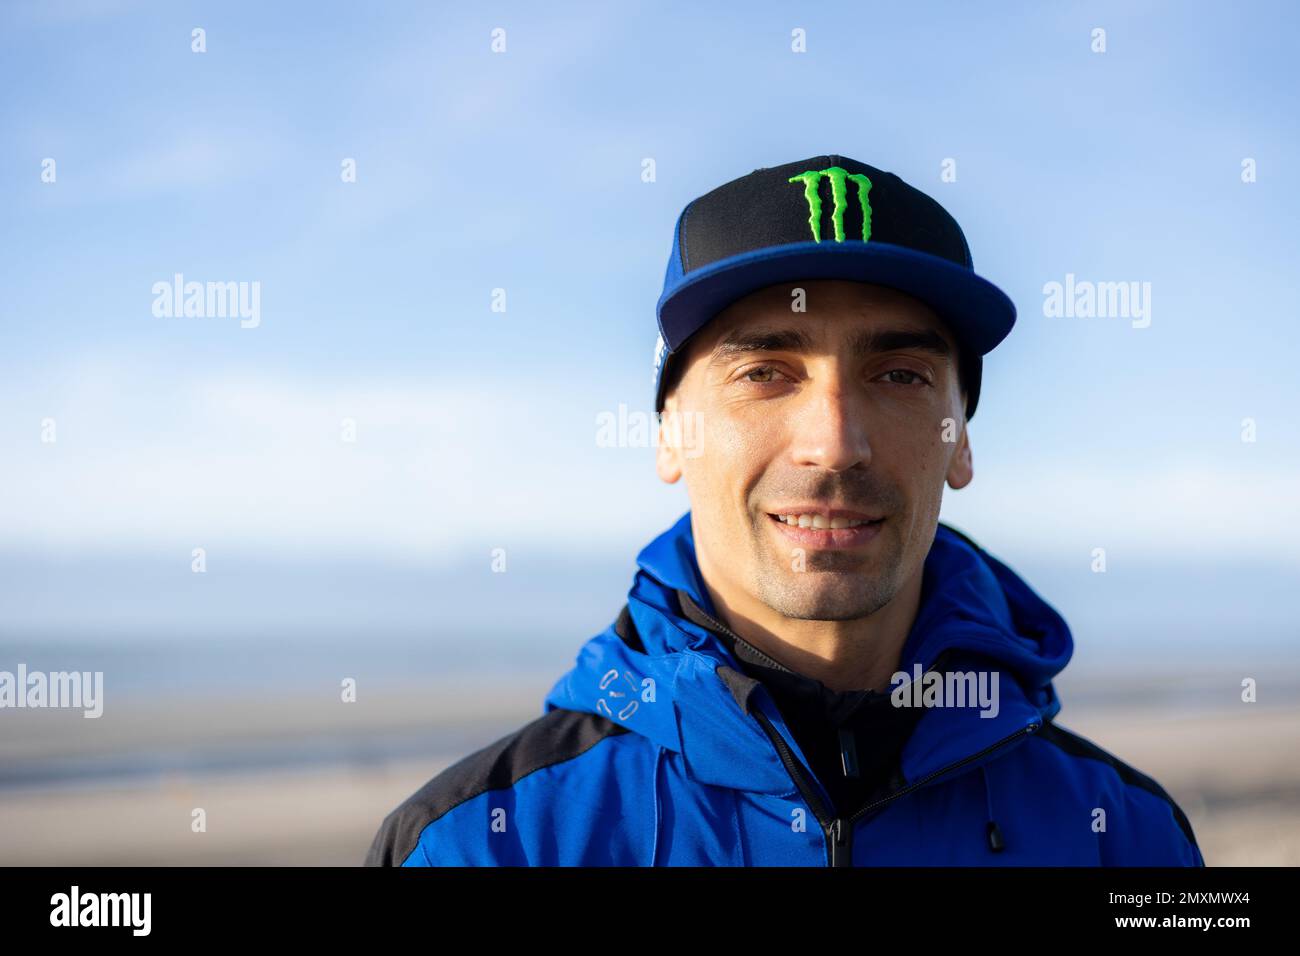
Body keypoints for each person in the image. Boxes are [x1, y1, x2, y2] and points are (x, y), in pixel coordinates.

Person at [365, 154, 1203, 866]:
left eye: (900, 376)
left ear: (960, 444)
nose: (835, 445)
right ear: (670, 436)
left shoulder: (1124, 837)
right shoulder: (484, 844)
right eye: (765, 372)